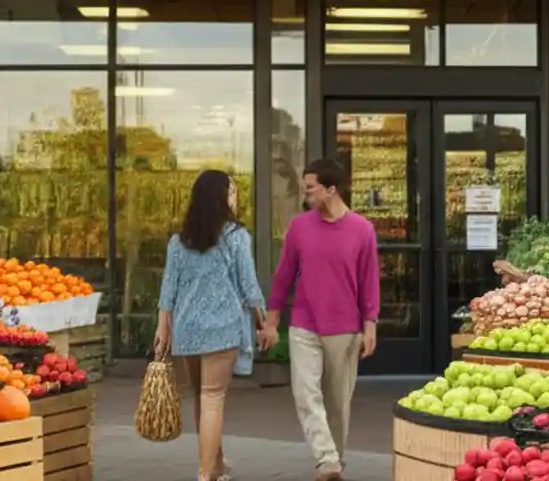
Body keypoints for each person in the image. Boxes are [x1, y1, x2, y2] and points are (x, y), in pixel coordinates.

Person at [261, 158, 380, 481]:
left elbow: (369, 282)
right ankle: (326, 460)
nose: (306, 195)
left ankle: (336, 459)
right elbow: (284, 276)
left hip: (345, 327)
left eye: (310, 188)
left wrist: (370, 325)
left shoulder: (362, 230)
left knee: (338, 402)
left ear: (331, 189)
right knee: (305, 393)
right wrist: (272, 321)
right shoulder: (299, 227)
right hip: (304, 323)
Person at [154, 169, 267, 481]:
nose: (236, 196)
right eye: (231, 191)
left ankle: (215, 466)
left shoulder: (179, 242)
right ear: (220, 197)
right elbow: (248, 285)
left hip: (187, 329)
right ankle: (205, 474)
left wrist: (163, 328)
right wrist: (262, 321)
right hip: (223, 327)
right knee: (213, 398)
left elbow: (168, 290)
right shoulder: (235, 237)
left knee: (202, 399)